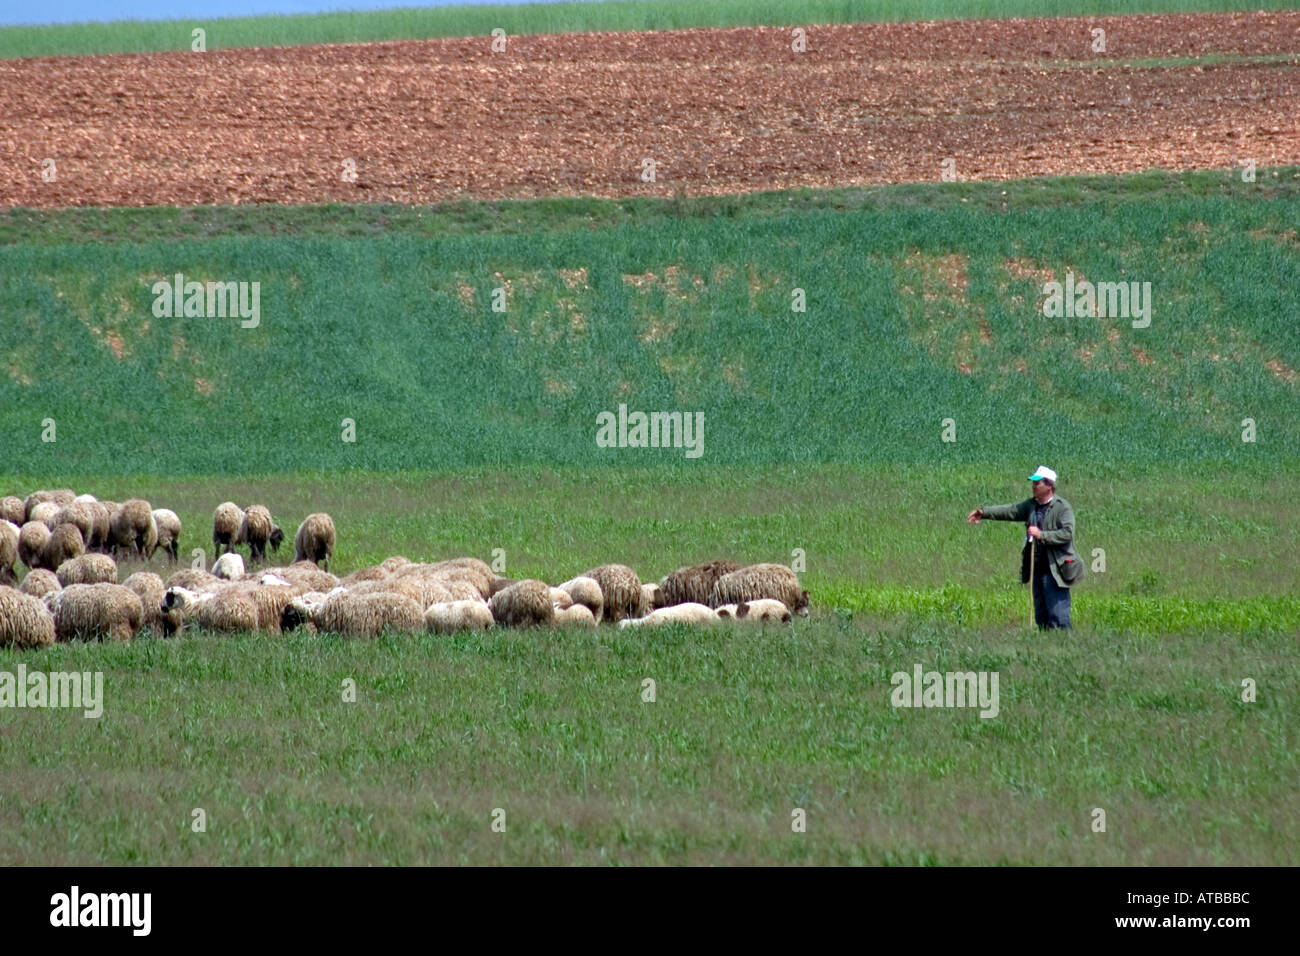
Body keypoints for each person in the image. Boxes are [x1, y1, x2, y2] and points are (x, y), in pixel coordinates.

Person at [966, 466, 1083, 629]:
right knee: (1041, 617)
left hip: (1056, 570)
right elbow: (1010, 511)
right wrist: (983, 512)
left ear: (1049, 485)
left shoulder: (1062, 507)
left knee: (1058, 616)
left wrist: (1042, 535)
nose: (1033, 486)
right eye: (1033, 482)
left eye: (1037, 482)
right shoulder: (1031, 506)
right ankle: (1046, 649)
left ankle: (1065, 648)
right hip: (1037, 569)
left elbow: (1067, 533)